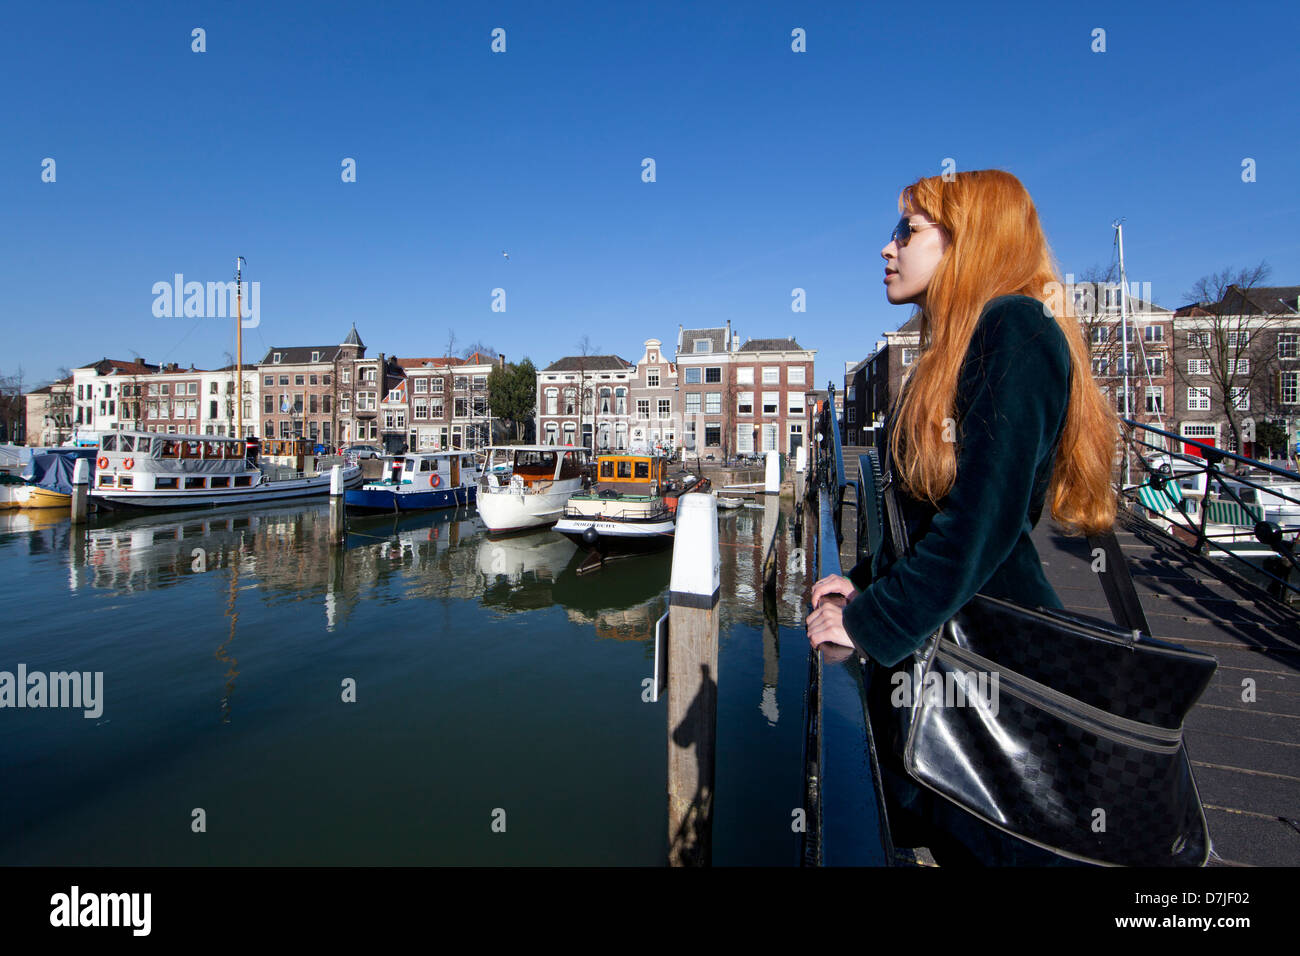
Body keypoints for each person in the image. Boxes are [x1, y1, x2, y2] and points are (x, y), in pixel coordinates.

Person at [806, 169, 1118, 865]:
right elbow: (931, 516)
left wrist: (869, 621)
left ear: (968, 241)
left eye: (908, 231)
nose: (886, 249)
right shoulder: (962, 345)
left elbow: (983, 523)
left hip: (993, 669)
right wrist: (863, 580)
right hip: (953, 658)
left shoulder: (1015, 329)